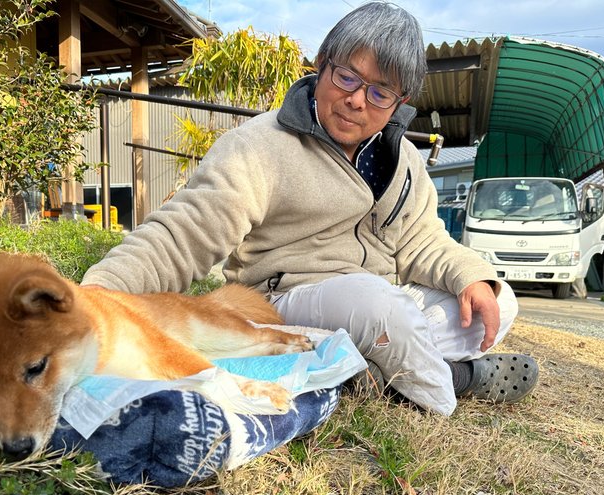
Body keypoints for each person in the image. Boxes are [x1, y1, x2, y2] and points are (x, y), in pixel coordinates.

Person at [81, 1, 539, 416]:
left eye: (381, 93)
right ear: (322, 66)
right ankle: (459, 383)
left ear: (400, 103)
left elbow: (422, 239)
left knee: (499, 301)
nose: (358, 99)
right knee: (378, 306)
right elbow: (182, 235)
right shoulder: (258, 148)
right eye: (347, 77)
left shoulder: (404, 161)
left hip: (381, 302)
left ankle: (362, 367)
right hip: (287, 302)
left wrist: (471, 276)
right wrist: (97, 296)